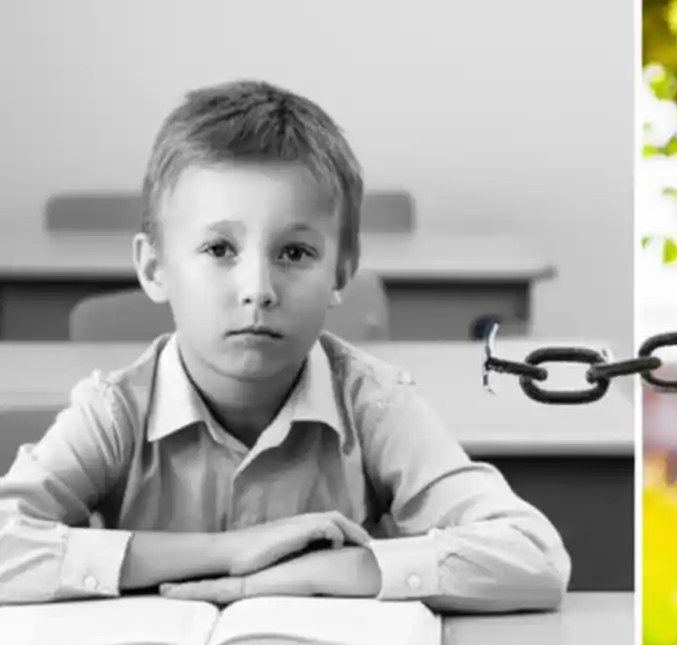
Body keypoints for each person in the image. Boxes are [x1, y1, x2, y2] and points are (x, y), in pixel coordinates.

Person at [0, 80, 569, 613]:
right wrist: (228, 552)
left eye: (295, 253)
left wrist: (328, 573)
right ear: (154, 268)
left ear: (342, 271)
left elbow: (535, 554)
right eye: (220, 249)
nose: (259, 290)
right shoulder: (115, 411)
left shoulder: (373, 405)